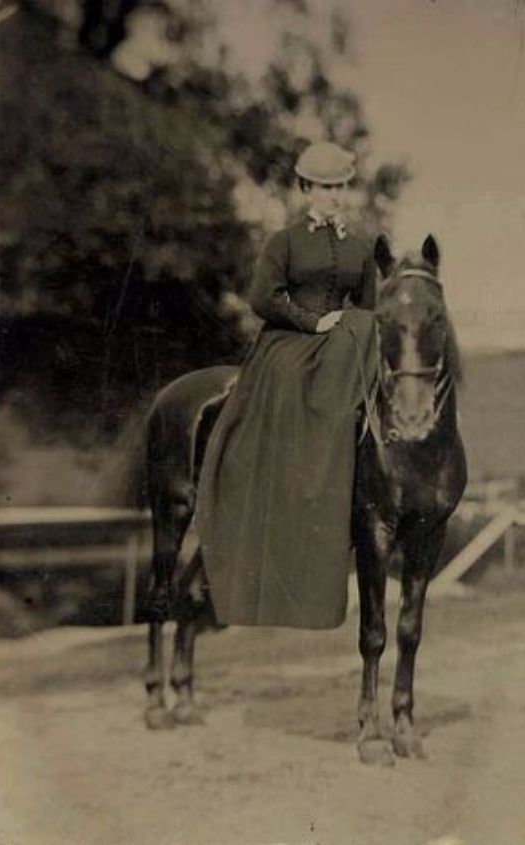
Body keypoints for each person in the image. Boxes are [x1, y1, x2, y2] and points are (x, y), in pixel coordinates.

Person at [195, 140, 379, 629]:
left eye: (340, 187)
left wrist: (346, 325)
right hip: (290, 342)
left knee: (367, 330)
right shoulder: (285, 242)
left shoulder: (360, 247)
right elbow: (262, 298)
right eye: (324, 187)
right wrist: (312, 322)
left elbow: (367, 307)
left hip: (342, 345)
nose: (334, 196)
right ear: (305, 189)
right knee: (328, 350)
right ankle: (305, 463)